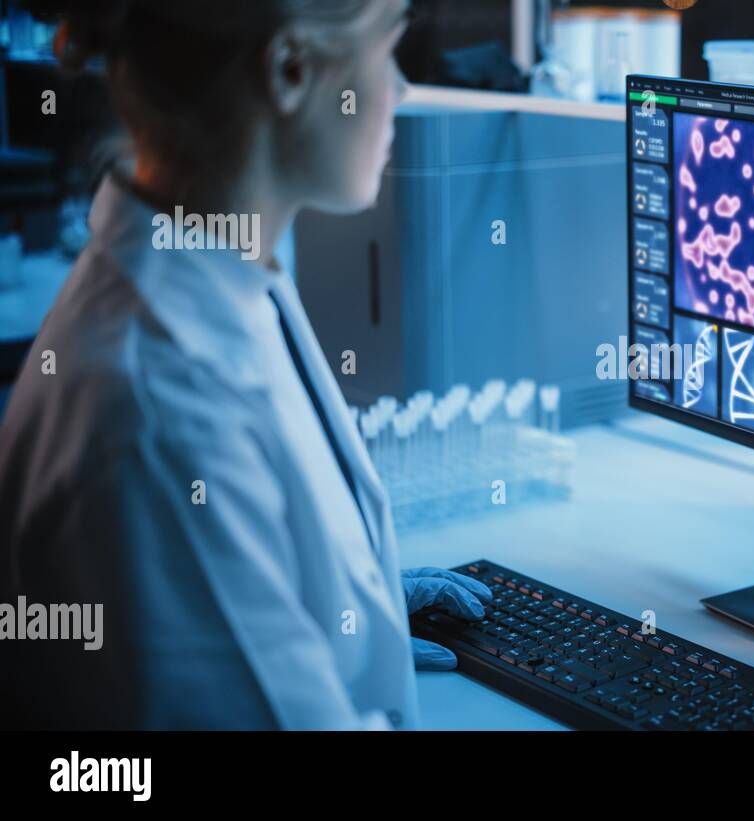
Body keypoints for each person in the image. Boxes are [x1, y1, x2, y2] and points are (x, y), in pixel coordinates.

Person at [0, 0, 492, 729]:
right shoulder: (163, 408)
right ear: (291, 69)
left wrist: (352, 604)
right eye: (389, 49)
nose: (402, 87)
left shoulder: (221, 276)